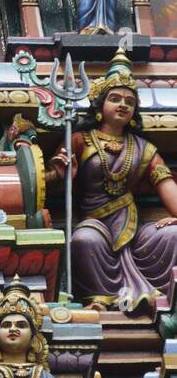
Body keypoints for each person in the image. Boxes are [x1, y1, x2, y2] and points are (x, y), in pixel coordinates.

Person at [49, 49, 177, 312]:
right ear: (99, 105)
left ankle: (162, 297)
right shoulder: (79, 139)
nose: (123, 105)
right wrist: (62, 177)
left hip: (133, 227)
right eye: (115, 98)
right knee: (84, 240)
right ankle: (99, 299)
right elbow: (48, 182)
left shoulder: (144, 149)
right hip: (95, 222)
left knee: (173, 234)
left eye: (130, 102)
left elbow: (167, 186)